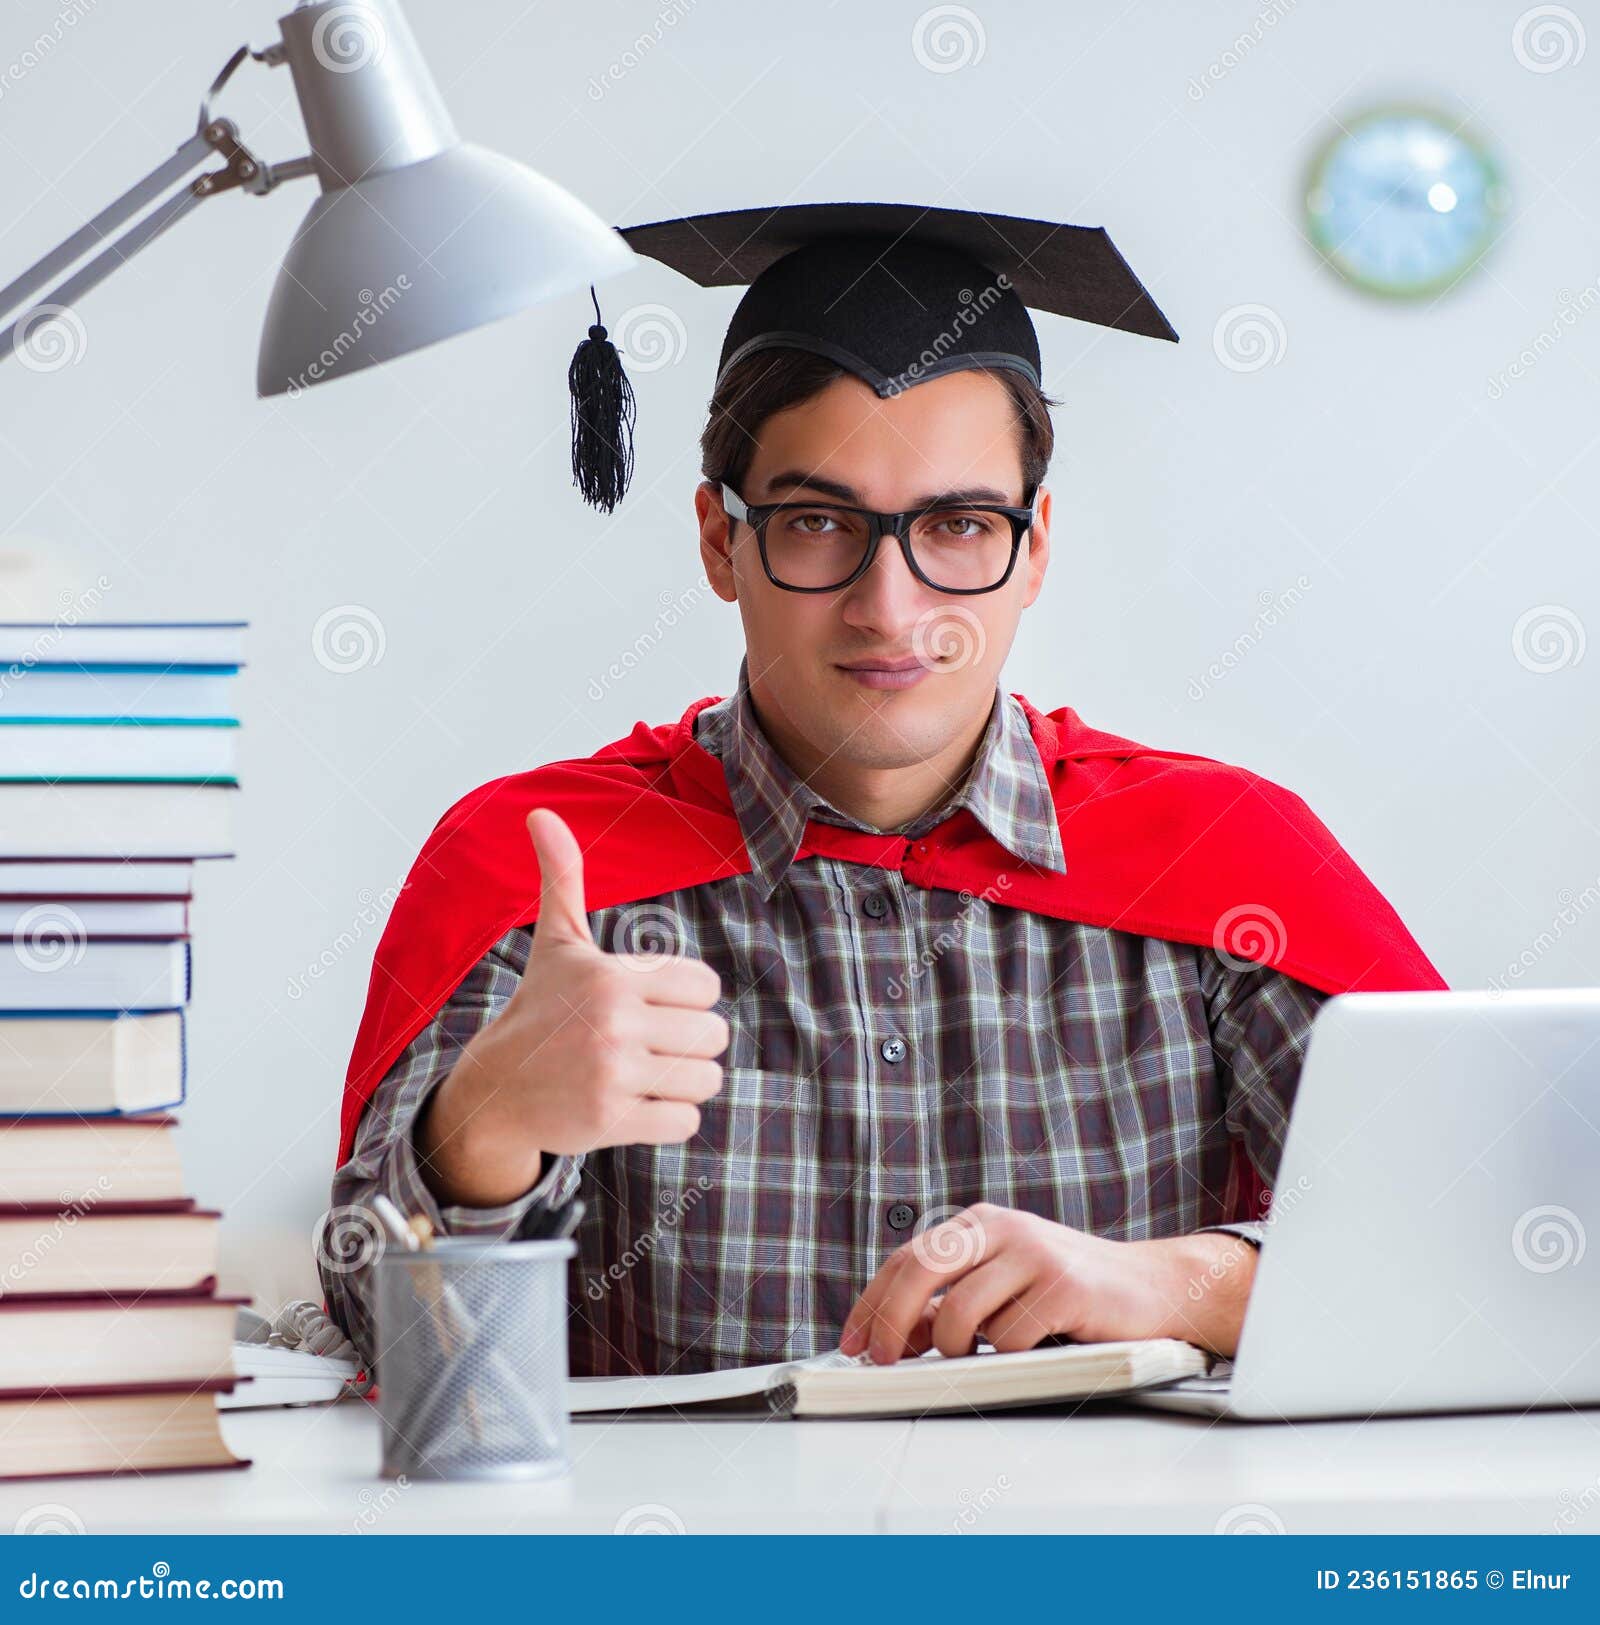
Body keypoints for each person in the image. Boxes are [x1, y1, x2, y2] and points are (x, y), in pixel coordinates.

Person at [321, 204, 1445, 1378]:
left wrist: (1173, 1280)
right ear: (719, 540)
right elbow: (386, 1333)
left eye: (959, 526)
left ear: (1037, 543)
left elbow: (1486, 1250)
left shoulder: (1220, 855)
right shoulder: (541, 868)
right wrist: (479, 1133)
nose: (888, 608)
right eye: (818, 523)